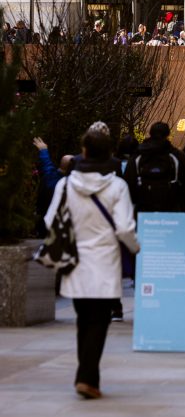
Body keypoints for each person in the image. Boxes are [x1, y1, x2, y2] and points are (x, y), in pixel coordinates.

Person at [44, 122, 139, 399]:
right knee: (99, 320)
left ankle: (86, 376)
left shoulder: (65, 185)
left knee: (83, 319)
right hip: (105, 261)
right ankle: (87, 377)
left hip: (74, 260)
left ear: (83, 151)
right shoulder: (117, 186)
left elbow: (50, 220)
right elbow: (124, 227)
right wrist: (136, 247)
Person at [125, 122, 185, 213]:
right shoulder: (176, 156)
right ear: (168, 134)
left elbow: (128, 182)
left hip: (143, 210)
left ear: (150, 133)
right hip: (171, 211)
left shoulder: (138, 155)